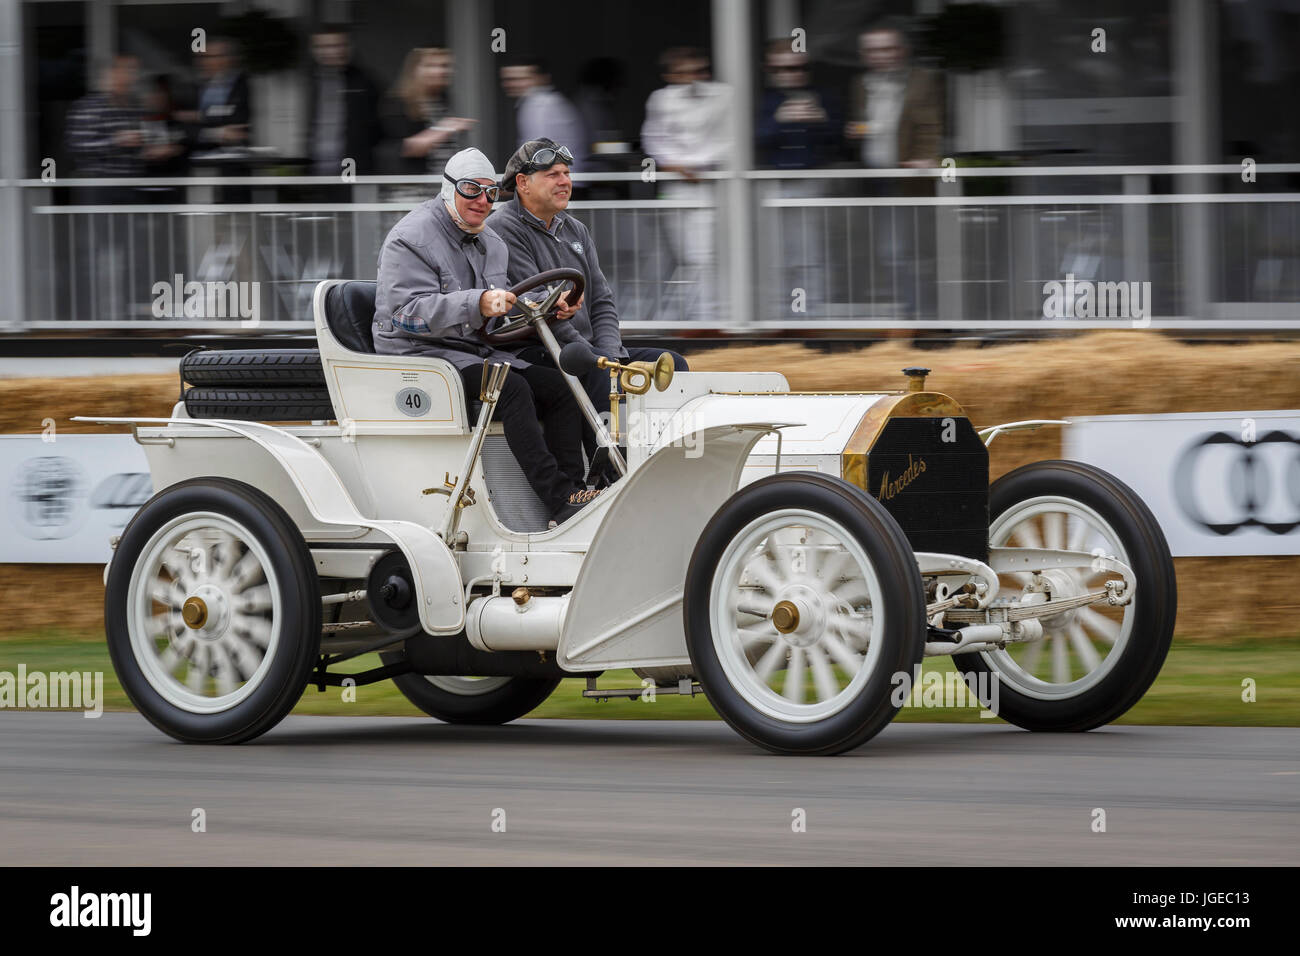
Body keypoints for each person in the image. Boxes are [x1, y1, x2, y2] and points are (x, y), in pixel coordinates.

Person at [372, 148, 600, 523]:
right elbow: (405, 317)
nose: (482, 201)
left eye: (490, 192)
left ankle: (577, 492)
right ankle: (558, 498)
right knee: (511, 389)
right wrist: (476, 303)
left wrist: (549, 303)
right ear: (448, 190)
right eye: (470, 190)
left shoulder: (492, 242)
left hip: (474, 352)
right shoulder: (410, 238)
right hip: (418, 357)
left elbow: (507, 298)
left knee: (561, 383)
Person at [488, 137, 689, 460]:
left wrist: (612, 354)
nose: (565, 181)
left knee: (673, 363)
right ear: (523, 183)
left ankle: (665, 460)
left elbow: (603, 302)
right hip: (540, 350)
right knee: (598, 373)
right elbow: (542, 312)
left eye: (566, 173)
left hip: (590, 349)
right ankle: (612, 474)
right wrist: (604, 363)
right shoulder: (502, 229)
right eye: (553, 174)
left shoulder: (576, 229)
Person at [639, 47, 731, 321]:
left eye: (697, 71)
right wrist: (675, 165)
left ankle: (709, 318)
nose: (691, 78)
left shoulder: (723, 95)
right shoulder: (661, 99)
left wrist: (702, 165)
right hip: (675, 187)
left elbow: (731, 137)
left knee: (705, 257)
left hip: (711, 185)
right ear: (670, 75)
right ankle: (685, 317)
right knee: (684, 257)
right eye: (682, 73)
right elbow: (653, 138)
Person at [755, 41, 840, 318]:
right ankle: (780, 316)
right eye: (784, 69)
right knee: (776, 255)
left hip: (812, 180)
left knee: (812, 253)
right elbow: (749, 141)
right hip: (771, 183)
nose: (792, 74)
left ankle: (811, 315)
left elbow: (843, 140)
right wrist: (779, 119)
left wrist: (822, 121)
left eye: (799, 68)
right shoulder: (762, 101)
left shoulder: (823, 97)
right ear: (770, 70)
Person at [379, 47, 477, 180]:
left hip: (443, 184)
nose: (441, 71)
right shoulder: (399, 102)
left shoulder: (443, 100)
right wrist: (446, 128)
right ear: (415, 70)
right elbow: (409, 148)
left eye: (445, 66)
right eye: (431, 66)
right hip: (413, 187)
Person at [306, 25, 382, 177]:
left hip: (352, 165)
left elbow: (377, 127)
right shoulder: (309, 81)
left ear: (348, 47)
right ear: (314, 49)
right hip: (317, 165)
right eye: (323, 46)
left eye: (336, 45)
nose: (331, 52)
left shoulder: (364, 82)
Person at [500, 57, 587, 170]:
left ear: (541, 79)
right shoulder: (548, 101)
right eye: (508, 79)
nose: (512, 84)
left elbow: (538, 152)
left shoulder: (540, 104)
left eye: (521, 79)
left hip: (554, 180)